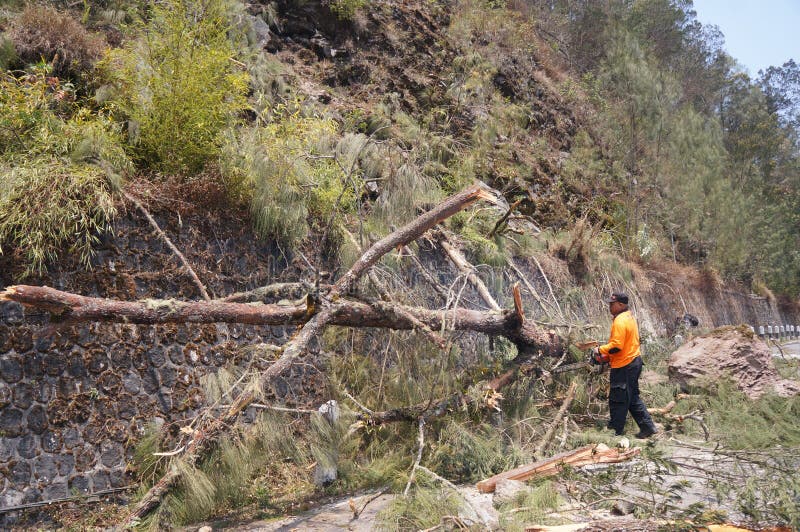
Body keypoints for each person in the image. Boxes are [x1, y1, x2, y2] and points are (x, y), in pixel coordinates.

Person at [591, 292, 658, 439]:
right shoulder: (629, 316)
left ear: (621, 305)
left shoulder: (620, 321)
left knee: (618, 398)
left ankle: (615, 431)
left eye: (612, 304)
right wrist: (607, 357)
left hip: (625, 364)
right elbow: (622, 344)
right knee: (632, 397)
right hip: (633, 361)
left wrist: (599, 350)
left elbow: (617, 346)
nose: (609, 306)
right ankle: (647, 427)